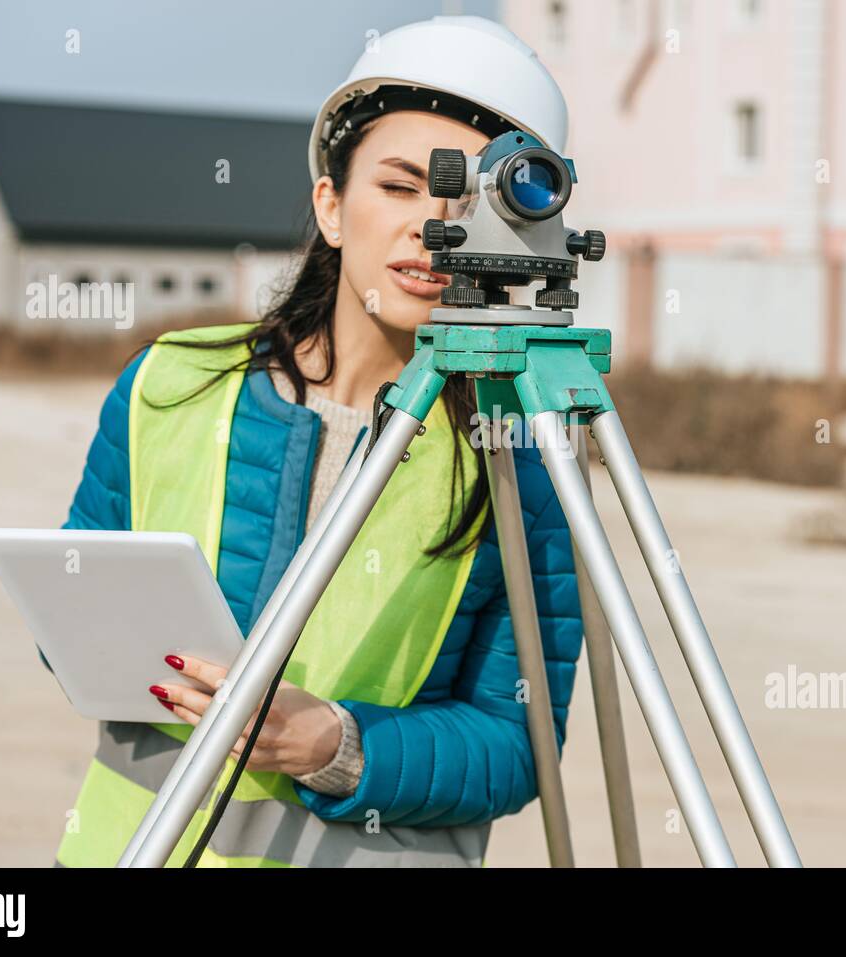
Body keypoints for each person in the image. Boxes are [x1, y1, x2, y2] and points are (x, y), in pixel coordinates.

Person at [53, 15, 582, 867]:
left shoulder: (520, 452)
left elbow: (518, 744)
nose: (431, 226)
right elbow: (69, 615)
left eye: (467, 200)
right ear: (331, 207)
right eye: (401, 187)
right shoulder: (170, 385)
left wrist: (332, 742)